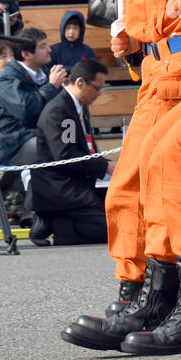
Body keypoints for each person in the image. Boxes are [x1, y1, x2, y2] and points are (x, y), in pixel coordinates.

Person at [30, 57, 112, 245]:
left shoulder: (76, 108)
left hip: (74, 184)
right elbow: (66, 155)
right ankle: (57, 224)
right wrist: (106, 166)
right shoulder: (61, 111)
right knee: (108, 229)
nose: (99, 94)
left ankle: (56, 223)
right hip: (61, 187)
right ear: (80, 82)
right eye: (97, 88)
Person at [0, 26, 67, 165]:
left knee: (72, 139)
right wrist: (51, 87)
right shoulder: (7, 79)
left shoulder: (44, 72)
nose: (49, 50)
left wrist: (67, 89)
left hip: (39, 134)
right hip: (15, 145)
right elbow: (26, 111)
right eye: (43, 47)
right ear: (26, 54)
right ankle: (29, 180)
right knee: (57, 149)